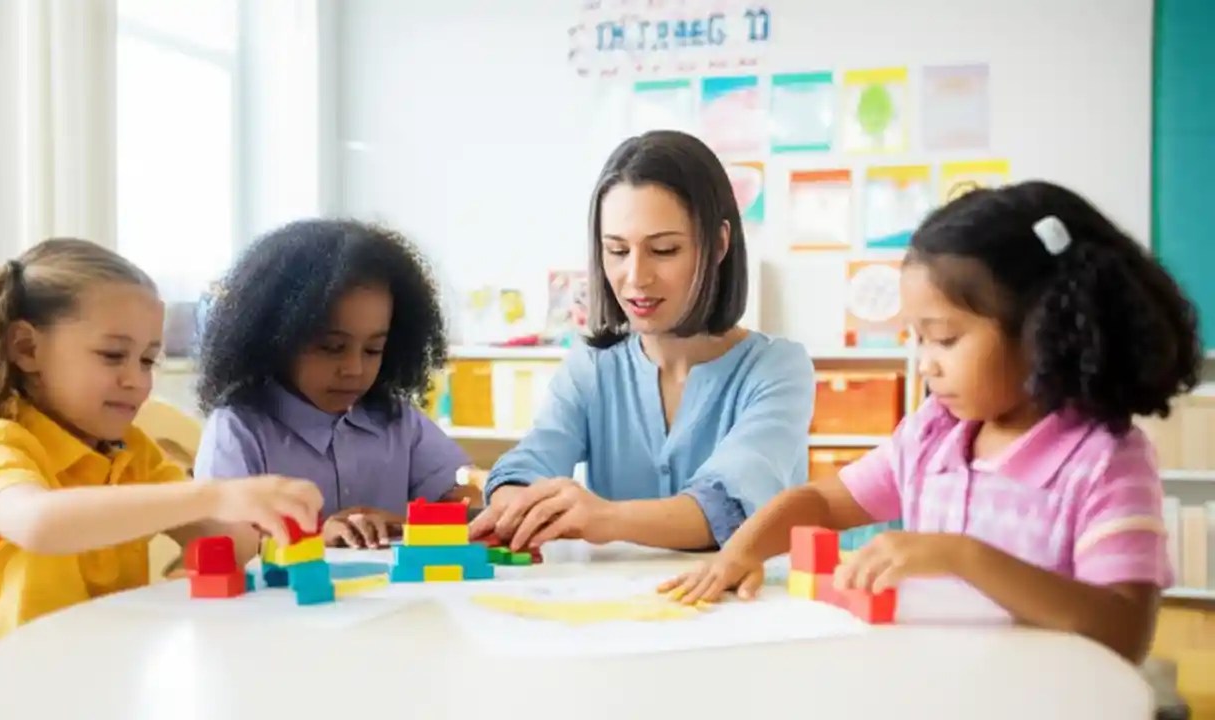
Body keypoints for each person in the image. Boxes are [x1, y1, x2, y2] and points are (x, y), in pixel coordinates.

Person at [661, 181, 1203, 662]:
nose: (927, 363)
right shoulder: (933, 433)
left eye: (944, 338)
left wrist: (962, 556)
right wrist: (742, 552)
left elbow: (1123, 629)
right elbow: (823, 503)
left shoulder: (1105, 459)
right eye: (917, 339)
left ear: (1043, 330)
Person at [0, 239, 323, 715]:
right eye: (113, 355)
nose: (137, 381)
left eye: (147, 360)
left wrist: (256, 522)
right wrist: (212, 495)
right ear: (27, 348)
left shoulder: (131, 452)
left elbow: (225, 540)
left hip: (97, 690)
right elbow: (41, 524)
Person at [469, 130, 814, 551]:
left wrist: (603, 518)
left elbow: (728, 508)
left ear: (718, 244)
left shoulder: (778, 369)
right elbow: (530, 462)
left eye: (664, 250)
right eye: (617, 251)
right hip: (621, 594)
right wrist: (516, 501)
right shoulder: (591, 366)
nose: (636, 277)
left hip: (743, 592)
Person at [193, 219, 476, 549]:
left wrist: (403, 525)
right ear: (277, 337)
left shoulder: (398, 422)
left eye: (373, 350)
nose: (354, 369)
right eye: (332, 347)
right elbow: (223, 541)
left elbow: (467, 500)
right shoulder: (238, 430)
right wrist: (311, 538)